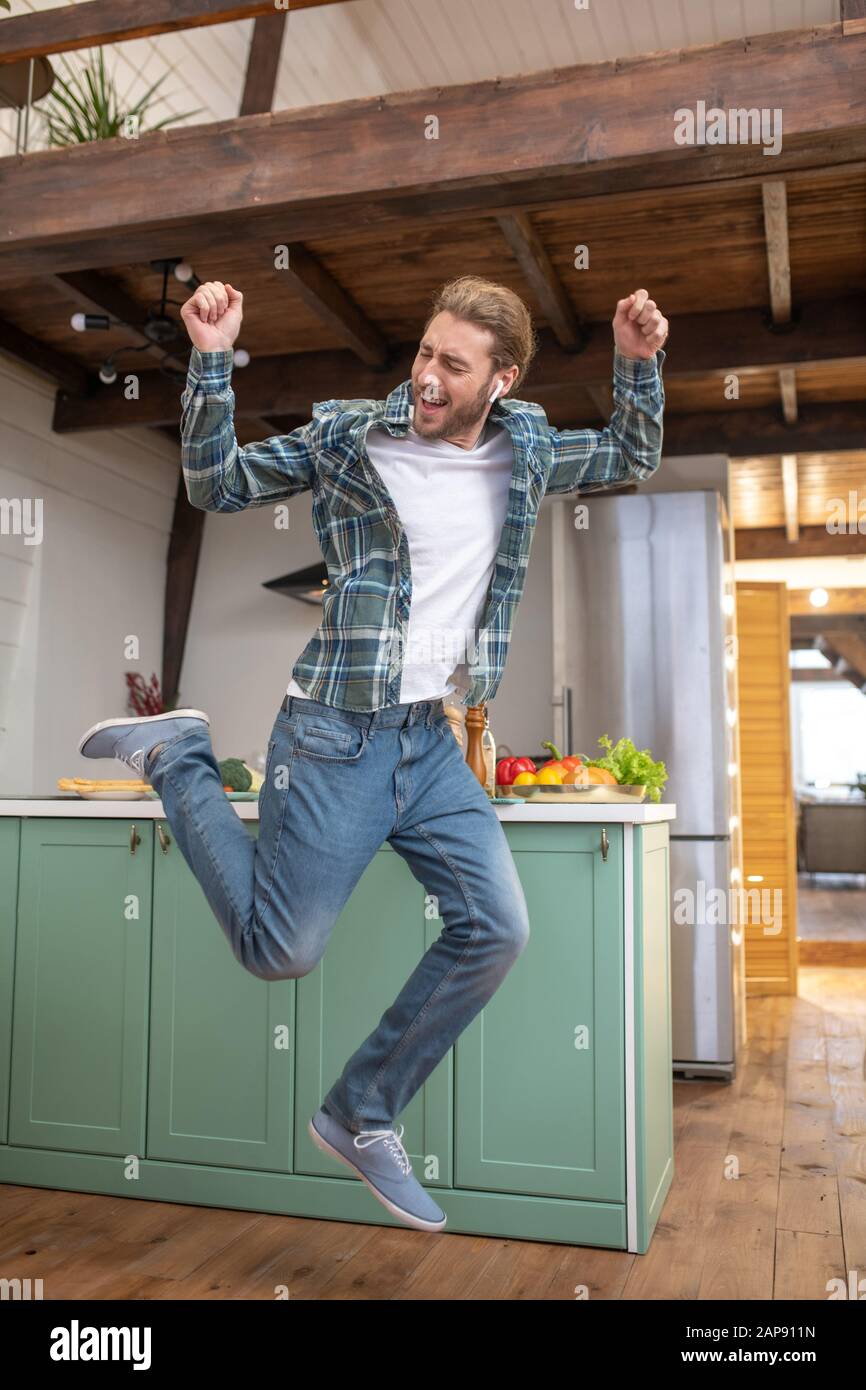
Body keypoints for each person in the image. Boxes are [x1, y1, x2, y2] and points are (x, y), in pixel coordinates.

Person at [79, 275, 667, 1233]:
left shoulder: (528, 452)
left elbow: (634, 450)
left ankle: (362, 1110)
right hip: (333, 732)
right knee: (281, 951)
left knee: (497, 928)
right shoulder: (351, 434)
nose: (429, 378)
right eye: (426, 352)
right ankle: (183, 757)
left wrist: (637, 365)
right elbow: (213, 483)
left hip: (428, 741)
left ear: (502, 381)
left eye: (454, 365)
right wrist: (213, 360)